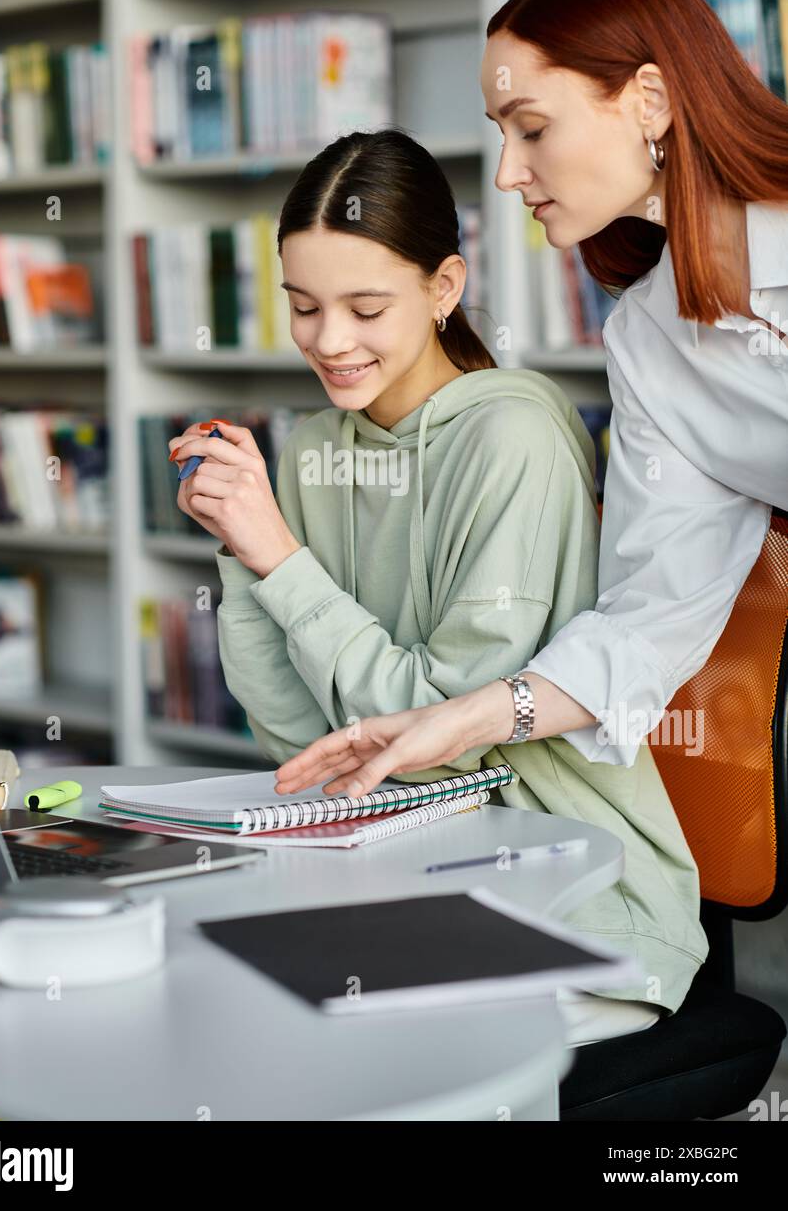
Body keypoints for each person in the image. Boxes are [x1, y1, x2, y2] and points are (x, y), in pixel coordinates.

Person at [168, 125, 709, 1046]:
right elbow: (299, 743)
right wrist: (242, 545)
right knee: (207, 996)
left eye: (366, 307)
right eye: (304, 307)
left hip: (572, 898)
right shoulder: (311, 451)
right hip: (386, 873)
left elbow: (437, 742)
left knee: (326, 1046)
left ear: (444, 288)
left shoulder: (515, 440)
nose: (329, 340)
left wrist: (282, 558)